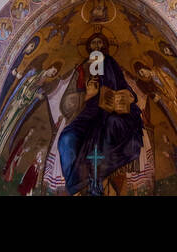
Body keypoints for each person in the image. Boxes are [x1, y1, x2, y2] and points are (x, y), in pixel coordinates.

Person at [57, 33, 142, 196]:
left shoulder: (110, 63)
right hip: (87, 114)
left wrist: (130, 97)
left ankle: (98, 184)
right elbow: (66, 102)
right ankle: (75, 189)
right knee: (66, 139)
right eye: (93, 43)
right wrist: (87, 95)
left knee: (111, 125)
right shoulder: (82, 69)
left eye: (100, 43)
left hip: (110, 113)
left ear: (105, 46)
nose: (97, 46)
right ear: (89, 47)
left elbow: (124, 87)